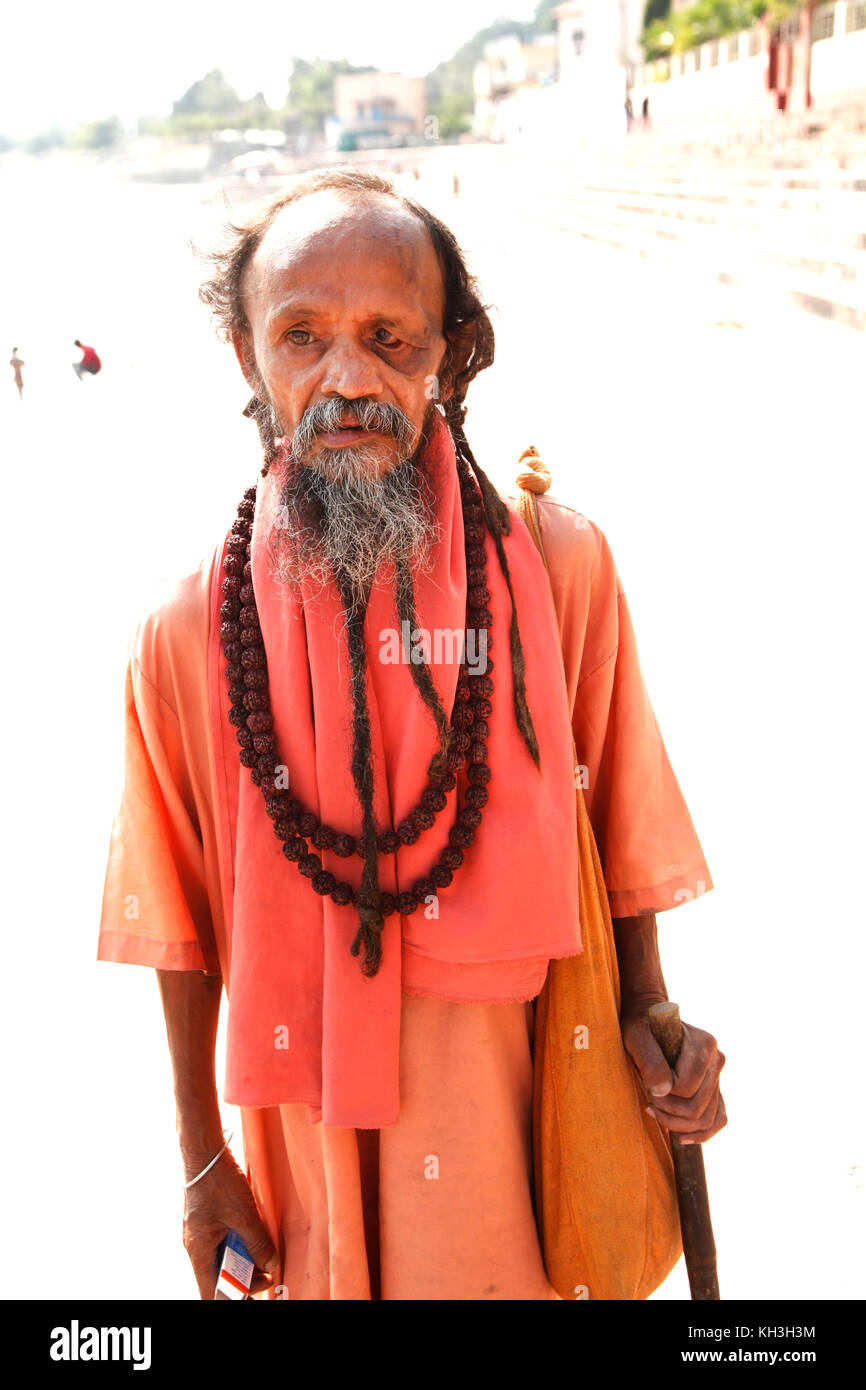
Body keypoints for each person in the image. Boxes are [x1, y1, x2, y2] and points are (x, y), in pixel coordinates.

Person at [98, 167, 725, 1301]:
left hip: (526, 1138)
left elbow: (619, 836)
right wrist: (202, 1163)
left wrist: (652, 1015)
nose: (347, 379)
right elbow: (180, 926)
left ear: (450, 351)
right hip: (302, 1154)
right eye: (301, 336)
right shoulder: (189, 630)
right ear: (248, 360)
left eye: (388, 335)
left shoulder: (556, 566)